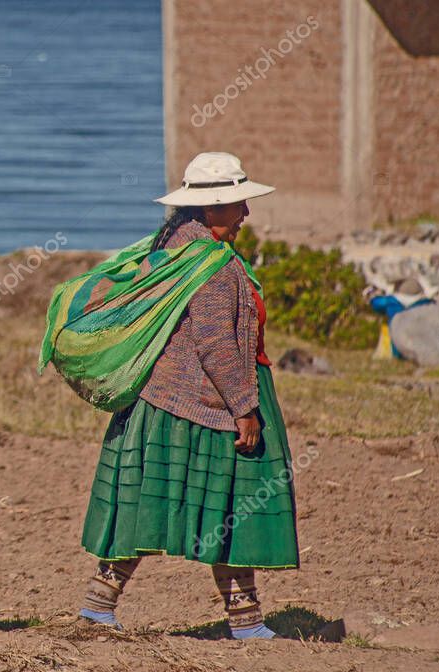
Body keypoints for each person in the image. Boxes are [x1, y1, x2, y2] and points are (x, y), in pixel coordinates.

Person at [75, 152, 299, 639]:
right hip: (204, 403)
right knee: (233, 504)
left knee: (145, 502)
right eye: (238, 204)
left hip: (163, 400)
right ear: (210, 209)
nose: (246, 214)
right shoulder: (210, 266)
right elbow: (217, 344)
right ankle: (244, 622)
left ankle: (101, 603)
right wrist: (245, 408)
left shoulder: (172, 249)